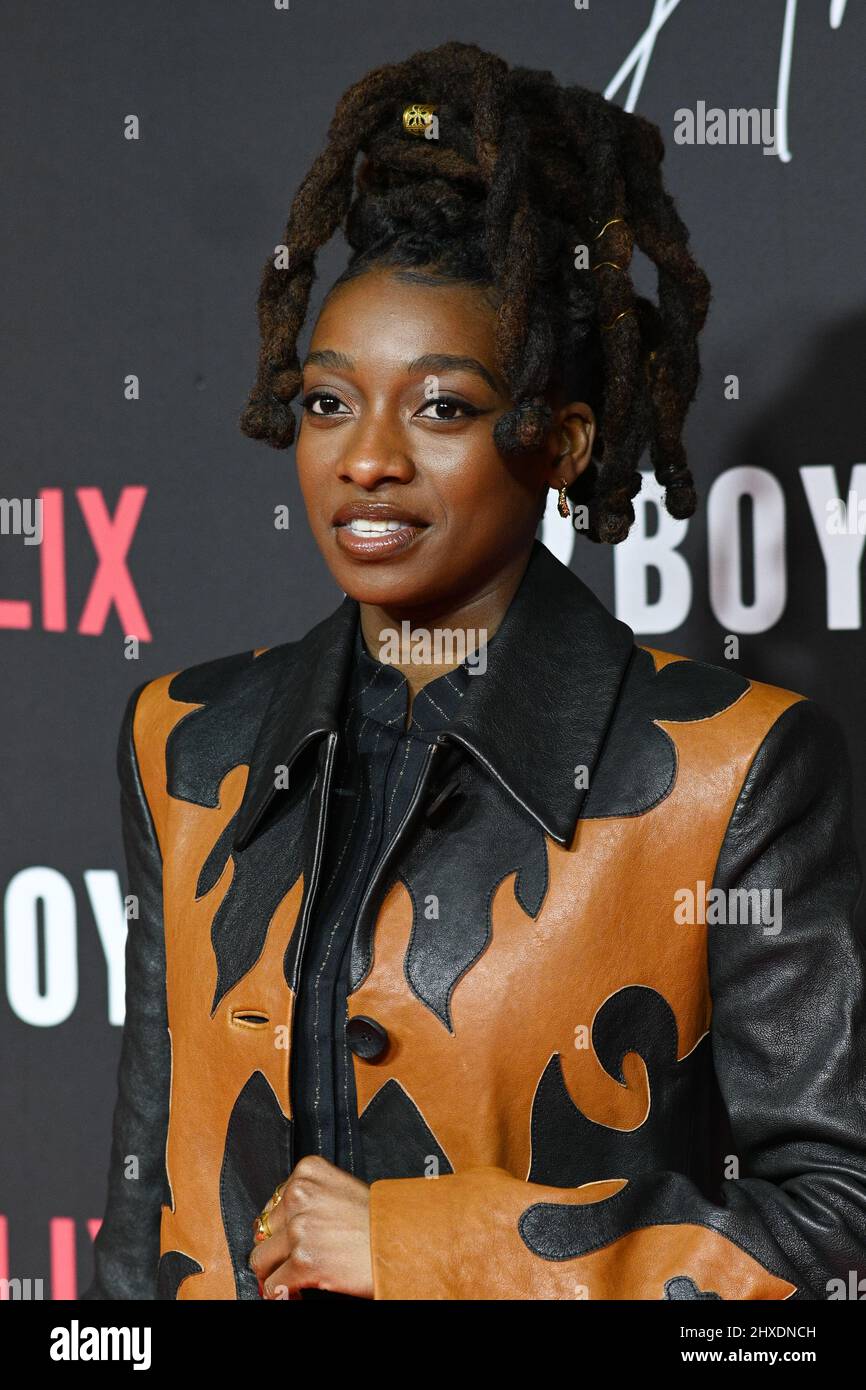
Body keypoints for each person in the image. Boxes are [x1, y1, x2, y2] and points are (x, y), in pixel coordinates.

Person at [82, 40, 866, 1302]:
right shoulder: (188, 743)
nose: (367, 459)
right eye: (330, 403)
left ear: (556, 441)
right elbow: (143, 1212)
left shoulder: (728, 772)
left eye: (438, 407)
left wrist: (432, 1245)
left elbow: (837, 1238)